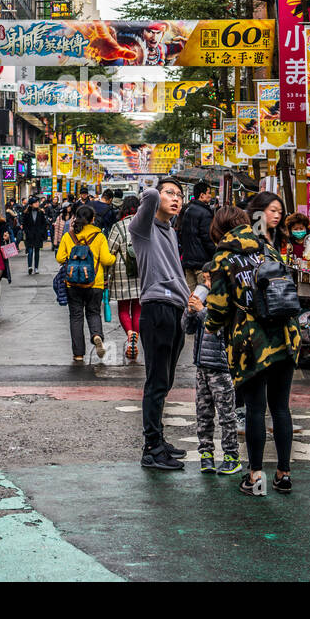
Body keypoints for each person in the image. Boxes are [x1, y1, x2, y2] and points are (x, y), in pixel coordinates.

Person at [204, 191, 300, 495]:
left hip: (251, 345)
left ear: (219, 230)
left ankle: (255, 476)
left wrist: (208, 327)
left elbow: (218, 308)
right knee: (281, 408)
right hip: (285, 336)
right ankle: (283, 474)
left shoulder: (222, 258)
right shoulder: (268, 249)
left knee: (256, 410)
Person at [130, 179, 190, 471]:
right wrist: (156, 187)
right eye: (171, 193)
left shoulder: (170, 232)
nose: (176, 198)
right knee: (155, 383)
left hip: (176, 310)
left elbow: (176, 274)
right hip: (156, 310)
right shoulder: (142, 229)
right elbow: (151, 194)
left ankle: (159, 439)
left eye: (180, 195)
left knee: (165, 383)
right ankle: (151, 448)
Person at [186, 205, 247, 477]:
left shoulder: (224, 299)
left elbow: (220, 326)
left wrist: (201, 312)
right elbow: (188, 329)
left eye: (211, 277)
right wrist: (189, 311)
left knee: (227, 414)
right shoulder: (200, 296)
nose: (207, 281)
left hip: (222, 367)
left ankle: (231, 456)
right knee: (203, 413)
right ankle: (206, 454)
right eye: (205, 277)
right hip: (201, 365)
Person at [56, 205, 117, 363]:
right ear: (92, 219)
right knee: (93, 312)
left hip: (72, 283)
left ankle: (78, 354)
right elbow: (106, 259)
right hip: (94, 283)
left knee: (76, 317)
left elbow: (60, 258)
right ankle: (96, 335)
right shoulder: (99, 236)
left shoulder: (69, 236)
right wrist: (114, 258)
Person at [105, 196, 143, 361]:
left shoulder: (118, 226)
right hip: (142, 269)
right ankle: (136, 337)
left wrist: (106, 274)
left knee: (123, 308)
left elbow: (109, 250)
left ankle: (130, 336)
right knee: (138, 308)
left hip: (122, 270)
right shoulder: (146, 225)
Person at [179, 183, 215, 291]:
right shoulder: (205, 213)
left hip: (188, 261)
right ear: (202, 195)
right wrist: (215, 254)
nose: (210, 196)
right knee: (203, 295)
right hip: (201, 263)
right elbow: (207, 238)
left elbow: (181, 234)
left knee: (192, 296)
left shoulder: (187, 210)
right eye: (209, 193)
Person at [21, 197, 48, 275]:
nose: (37, 203)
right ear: (31, 204)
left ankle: (36, 268)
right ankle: (30, 267)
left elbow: (44, 223)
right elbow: (24, 224)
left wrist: (42, 233)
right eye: (35, 202)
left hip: (38, 235)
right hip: (29, 235)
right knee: (30, 251)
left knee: (37, 251)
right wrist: (26, 232)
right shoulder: (26, 213)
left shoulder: (41, 212)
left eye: (37, 202)